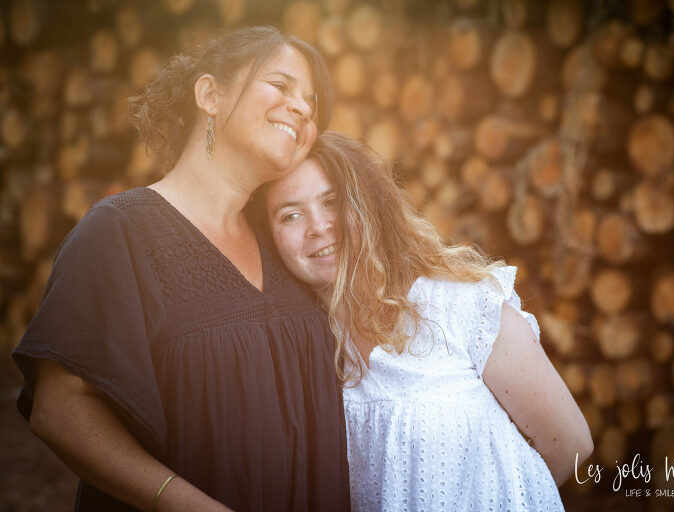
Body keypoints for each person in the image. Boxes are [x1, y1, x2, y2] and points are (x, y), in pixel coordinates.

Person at [13, 27, 350, 512]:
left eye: (312, 102)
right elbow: (59, 409)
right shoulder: (121, 233)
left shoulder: (289, 239)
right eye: (281, 86)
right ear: (210, 94)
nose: (302, 108)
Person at [262, 132, 594, 511]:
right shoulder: (299, 348)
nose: (318, 226)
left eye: (333, 202)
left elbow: (570, 444)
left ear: (368, 206)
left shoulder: (461, 304)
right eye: (291, 215)